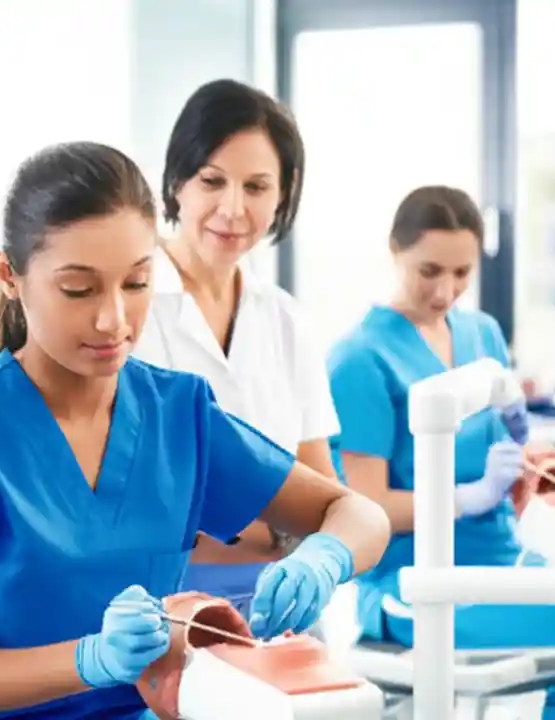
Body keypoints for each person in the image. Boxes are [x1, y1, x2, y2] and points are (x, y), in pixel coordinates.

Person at [0, 142, 390, 719]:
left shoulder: (177, 414)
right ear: (10, 275)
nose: (114, 319)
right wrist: (88, 661)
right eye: (79, 290)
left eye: (136, 283)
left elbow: (358, 513)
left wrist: (325, 559)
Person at [327, 185, 555, 718]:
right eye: (429, 271)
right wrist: (465, 497)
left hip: (505, 557)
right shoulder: (359, 359)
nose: (445, 290)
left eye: (461, 273)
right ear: (393, 250)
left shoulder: (482, 333)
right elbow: (366, 506)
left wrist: (529, 458)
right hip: (409, 584)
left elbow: (505, 448)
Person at [132, 78, 340, 620]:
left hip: (285, 603)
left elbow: (325, 492)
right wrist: (280, 526)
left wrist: (283, 538)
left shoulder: (283, 318)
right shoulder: (133, 307)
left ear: (283, 194)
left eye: (256, 187)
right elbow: (147, 510)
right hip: (164, 606)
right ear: (178, 182)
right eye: (212, 180)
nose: (233, 208)